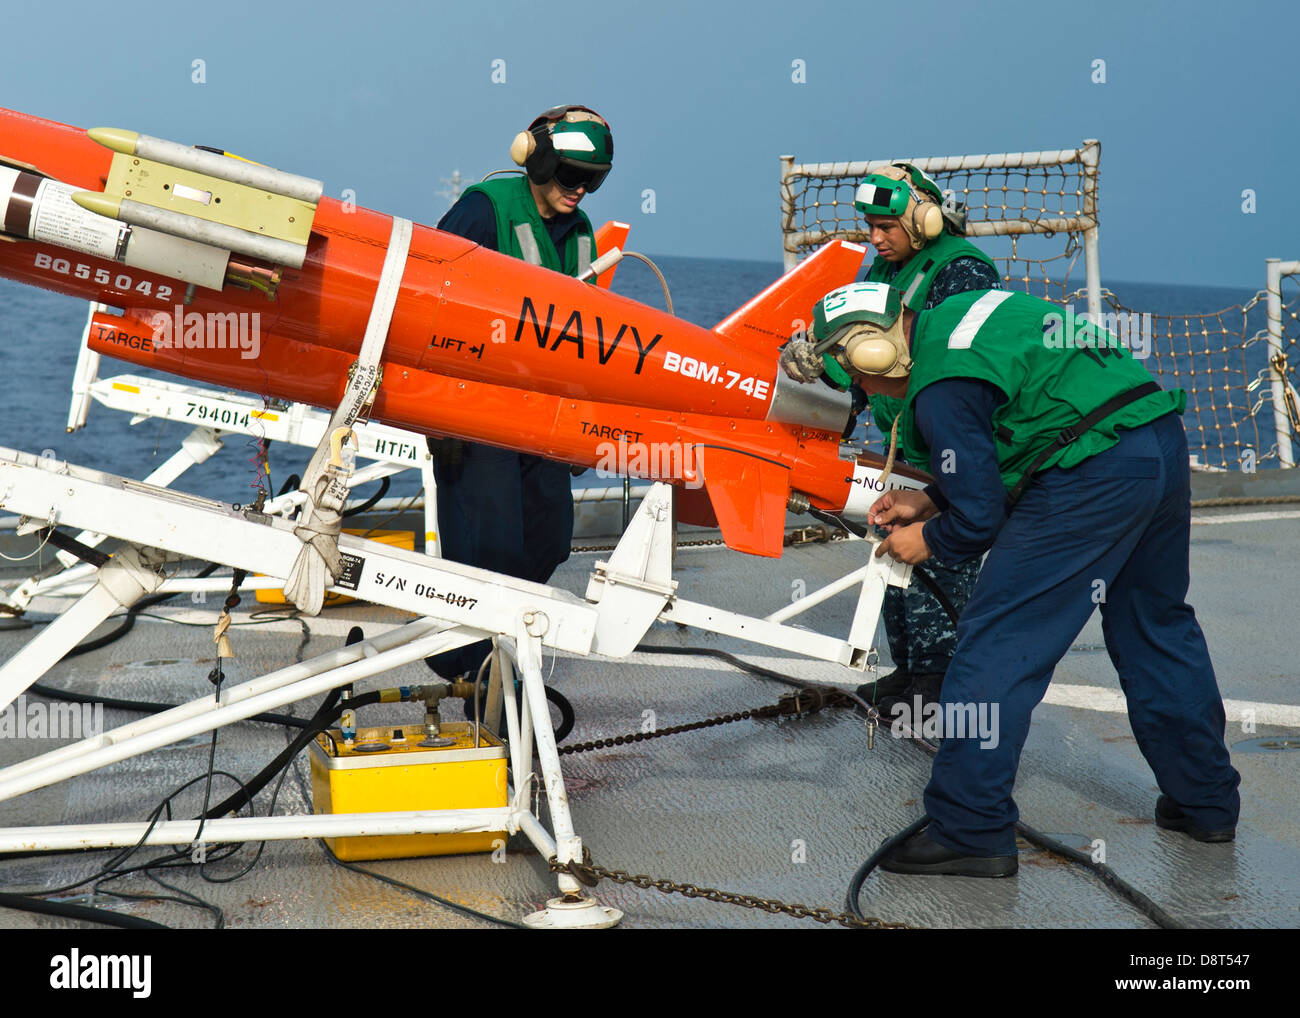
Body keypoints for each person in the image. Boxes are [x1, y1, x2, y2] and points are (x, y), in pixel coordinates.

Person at [780, 281, 1241, 876]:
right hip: (1153, 438)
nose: (865, 392)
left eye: (859, 378)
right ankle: (1204, 803)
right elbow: (1015, 428)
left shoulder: (939, 389)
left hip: (1089, 471)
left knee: (997, 641)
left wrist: (929, 538)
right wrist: (931, 499)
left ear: (874, 351)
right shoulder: (951, 321)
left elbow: (979, 520)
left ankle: (970, 829)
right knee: (1155, 624)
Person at [424, 105, 614, 684]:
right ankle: (469, 667)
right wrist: (440, 417)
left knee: (551, 538)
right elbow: (427, 292)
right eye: (569, 176)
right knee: (491, 546)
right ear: (536, 160)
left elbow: (585, 335)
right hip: (476, 417)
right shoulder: (485, 209)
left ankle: (476, 656)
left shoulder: (579, 232)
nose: (579, 191)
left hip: (544, 422)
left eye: (593, 180)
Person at [846, 164, 1002, 713]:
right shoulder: (886, 267)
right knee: (894, 556)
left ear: (924, 219)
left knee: (940, 566)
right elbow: (864, 342)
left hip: (948, 436)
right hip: (905, 439)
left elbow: (956, 359)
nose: (875, 237)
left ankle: (936, 689)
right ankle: (905, 670)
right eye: (870, 226)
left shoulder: (961, 271)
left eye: (886, 225)